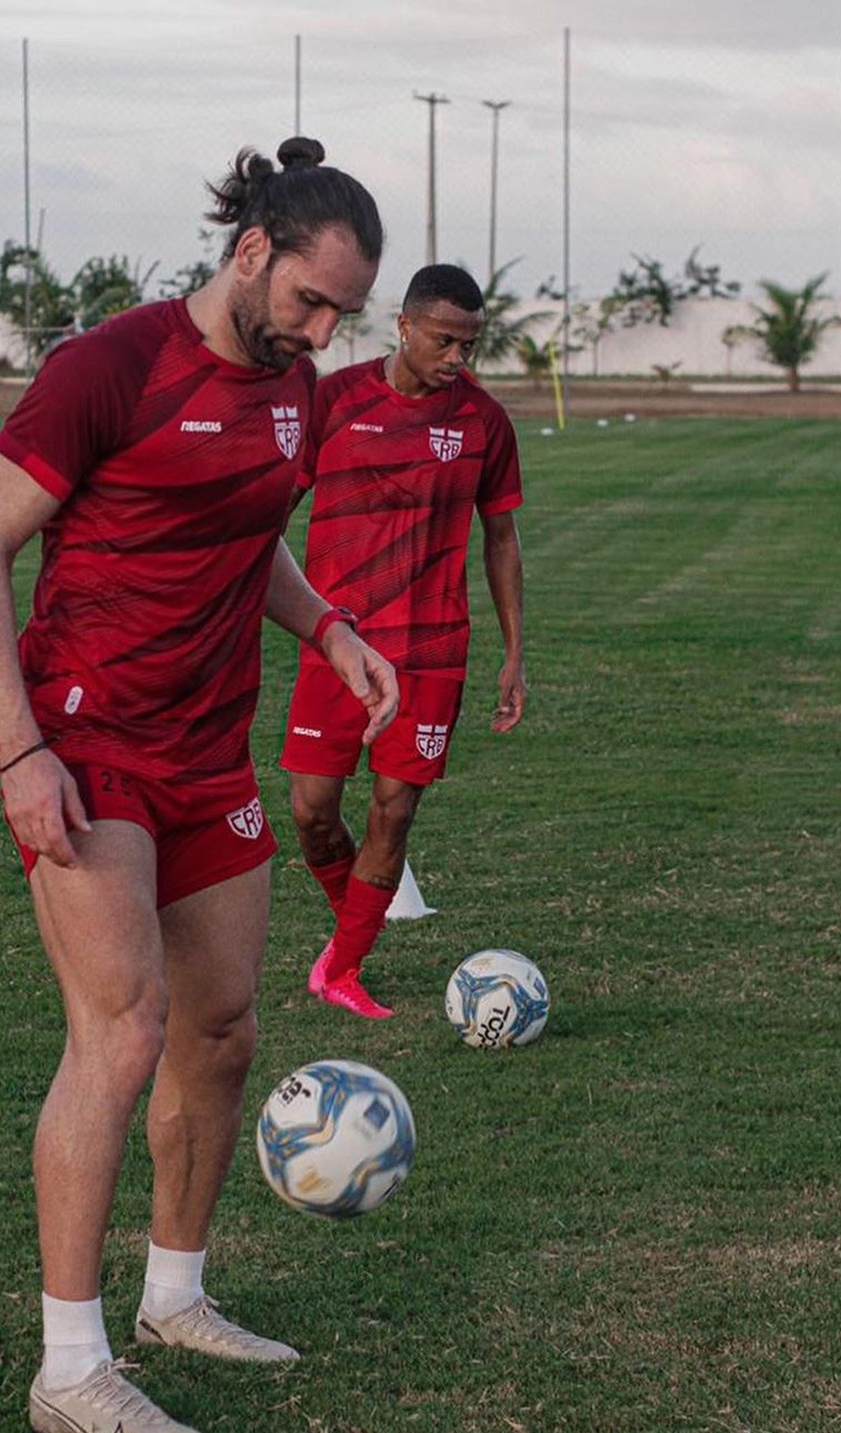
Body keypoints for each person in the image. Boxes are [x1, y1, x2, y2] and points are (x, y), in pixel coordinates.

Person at [0, 138, 394, 1433]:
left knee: (224, 1027)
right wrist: (20, 753)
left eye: (341, 316)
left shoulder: (294, 389)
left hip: (207, 749)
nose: (320, 333)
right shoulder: (113, 368)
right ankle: (70, 1363)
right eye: (310, 301)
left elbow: (246, 537)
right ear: (251, 252)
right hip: (89, 743)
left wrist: (328, 628)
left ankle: (177, 1295)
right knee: (124, 1025)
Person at [280, 262, 527, 1020]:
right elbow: (269, 515)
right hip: (338, 645)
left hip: (430, 650)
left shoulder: (484, 422)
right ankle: (351, 921)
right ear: (405, 326)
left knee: (394, 812)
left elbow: (501, 537)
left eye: (469, 344)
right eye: (446, 340)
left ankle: (345, 965)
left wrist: (515, 651)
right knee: (311, 811)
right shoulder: (335, 400)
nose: (459, 357)